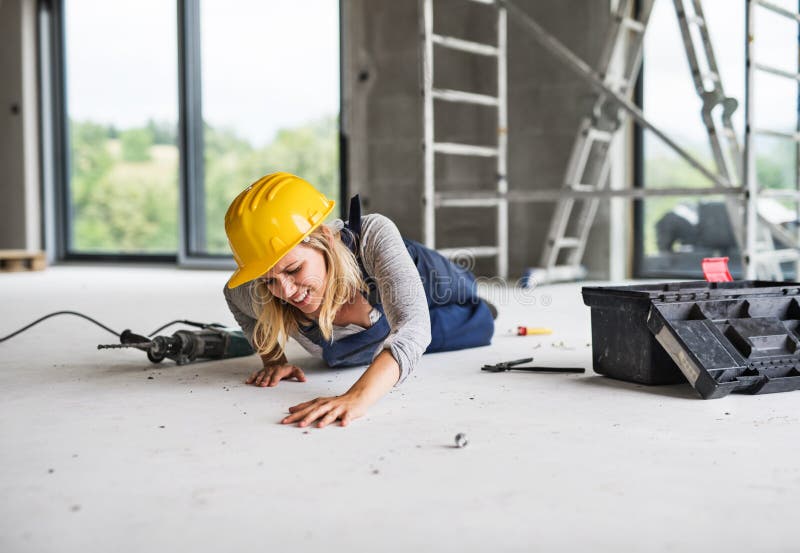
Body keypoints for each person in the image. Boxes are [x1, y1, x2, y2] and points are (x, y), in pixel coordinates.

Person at [223, 172, 495, 428]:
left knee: (462, 289)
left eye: (294, 270)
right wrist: (274, 360)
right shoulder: (265, 293)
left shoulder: (372, 236)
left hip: (418, 276)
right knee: (481, 326)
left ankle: (451, 298)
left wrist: (357, 397)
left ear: (326, 240)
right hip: (389, 324)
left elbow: (414, 327)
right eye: (269, 280)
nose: (287, 291)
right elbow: (232, 295)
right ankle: (478, 313)